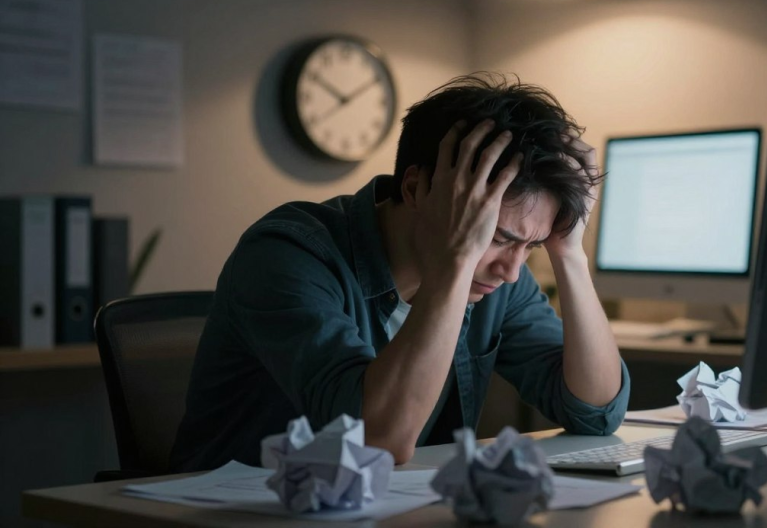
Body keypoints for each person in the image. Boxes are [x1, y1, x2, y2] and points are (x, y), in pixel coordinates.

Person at [170, 73, 630, 472]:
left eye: (531, 246)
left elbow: (595, 412)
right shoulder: (286, 255)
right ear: (416, 188)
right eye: (499, 236)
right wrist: (456, 259)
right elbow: (376, 441)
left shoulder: (496, 279)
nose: (512, 272)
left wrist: (568, 253)